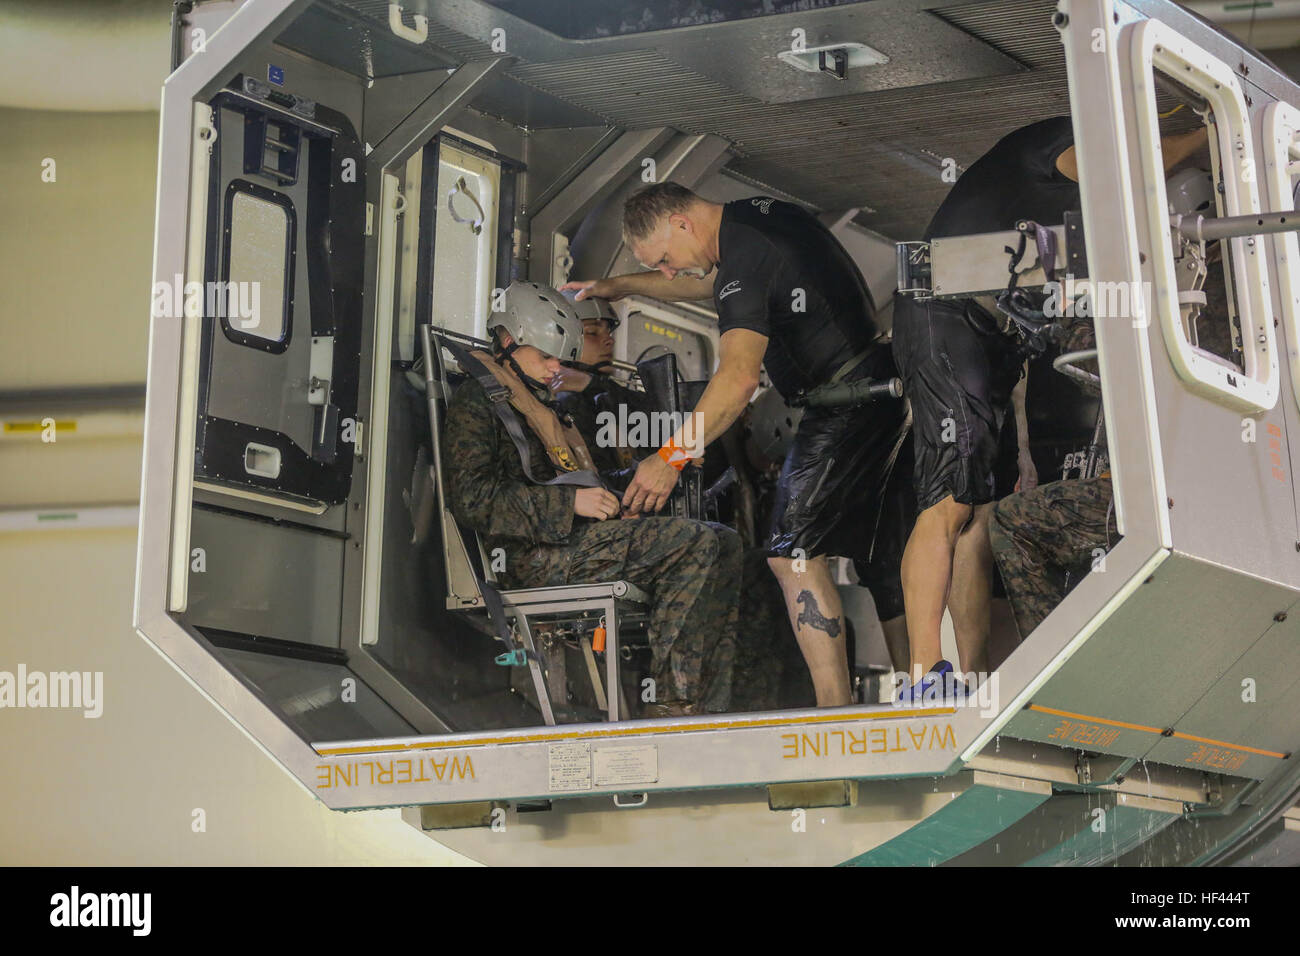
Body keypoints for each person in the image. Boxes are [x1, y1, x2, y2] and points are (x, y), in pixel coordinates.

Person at [562, 183, 912, 707]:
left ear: (681, 222)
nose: (668, 272)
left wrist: (670, 458)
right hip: (874, 390)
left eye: (663, 259)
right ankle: (921, 691)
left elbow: (739, 380)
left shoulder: (745, 260)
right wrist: (619, 287)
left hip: (844, 405)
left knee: (789, 555)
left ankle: (833, 713)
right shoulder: (754, 221)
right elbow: (715, 287)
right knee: (883, 556)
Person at [891, 117, 1207, 696]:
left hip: (996, 331)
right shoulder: (1062, 138)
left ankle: (971, 675)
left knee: (982, 512)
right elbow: (1142, 151)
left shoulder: (1082, 207)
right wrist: (1215, 130)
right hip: (942, 312)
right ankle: (922, 673)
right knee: (948, 502)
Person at [443, 280, 741, 716]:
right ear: (507, 340)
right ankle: (677, 705)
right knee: (695, 543)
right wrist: (571, 506)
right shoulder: (478, 403)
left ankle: (711, 706)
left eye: (559, 360)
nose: (552, 369)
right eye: (544, 357)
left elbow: (578, 480)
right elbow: (473, 498)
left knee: (725, 542)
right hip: (531, 556)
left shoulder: (542, 404)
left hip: (572, 542)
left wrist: (646, 474)